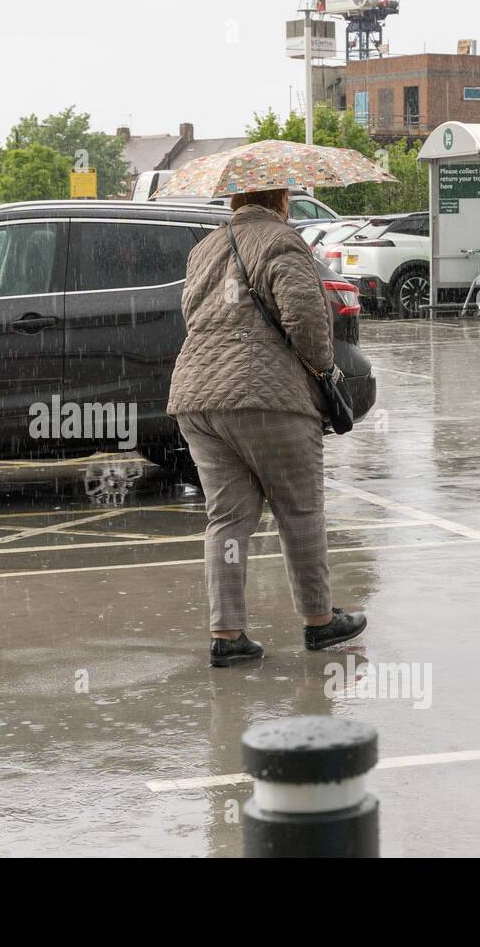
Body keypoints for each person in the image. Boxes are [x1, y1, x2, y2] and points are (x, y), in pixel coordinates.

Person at [167, 186, 367, 667]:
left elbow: (192, 314)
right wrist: (322, 371)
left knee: (227, 519)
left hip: (197, 399)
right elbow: (306, 319)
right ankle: (320, 622)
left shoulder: (205, 248)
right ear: (280, 200)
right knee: (299, 510)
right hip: (265, 397)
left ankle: (228, 633)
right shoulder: (282, 240)